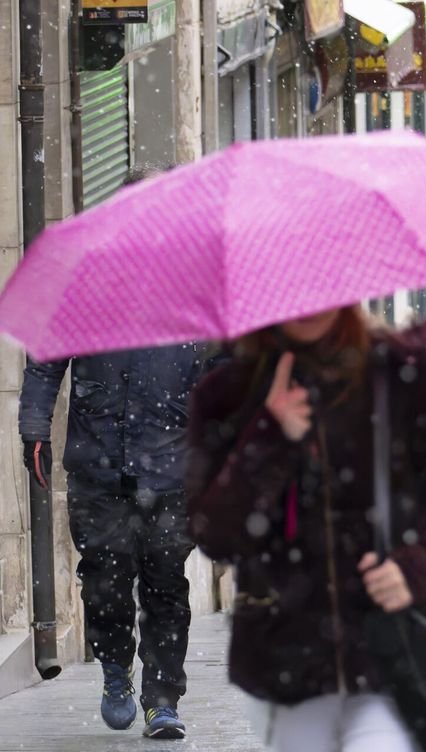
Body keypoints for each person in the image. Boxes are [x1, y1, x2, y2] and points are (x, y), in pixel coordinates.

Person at [185, 306, 426, 751]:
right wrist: (269, 435)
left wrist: (417, 566)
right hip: (288, 654)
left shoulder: (399, 375)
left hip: (397, 642)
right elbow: (214, 533)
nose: (308, 305)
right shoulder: (228, 395)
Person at [16, 165, 215, 739]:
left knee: (165, 583)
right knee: (103, 578)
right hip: (96, 463)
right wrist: (35, 428)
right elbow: (46, 359)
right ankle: (113, 669)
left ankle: (162, 698)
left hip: (173, 466)